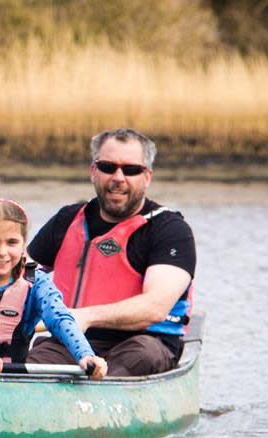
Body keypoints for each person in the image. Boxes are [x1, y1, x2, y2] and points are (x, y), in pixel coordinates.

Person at [26, 128, 195, 376]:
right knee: (34, 360)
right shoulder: (67, 219)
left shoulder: (170, 231)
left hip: (145, 343)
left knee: (138, 357)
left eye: (130, 170)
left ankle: (98, 403)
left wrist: (87, 316)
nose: (118, 177)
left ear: (147, 176)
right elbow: (20, 276)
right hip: (71, 342)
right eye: (108, 167)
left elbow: (155, 307)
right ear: (94, 171)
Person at [0, 197, 107, 378]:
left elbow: (60, 319)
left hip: (12, 376)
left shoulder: (38, 283)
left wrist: (86, 354)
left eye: (12, 242)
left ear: (24, 244)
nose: (2, 252)